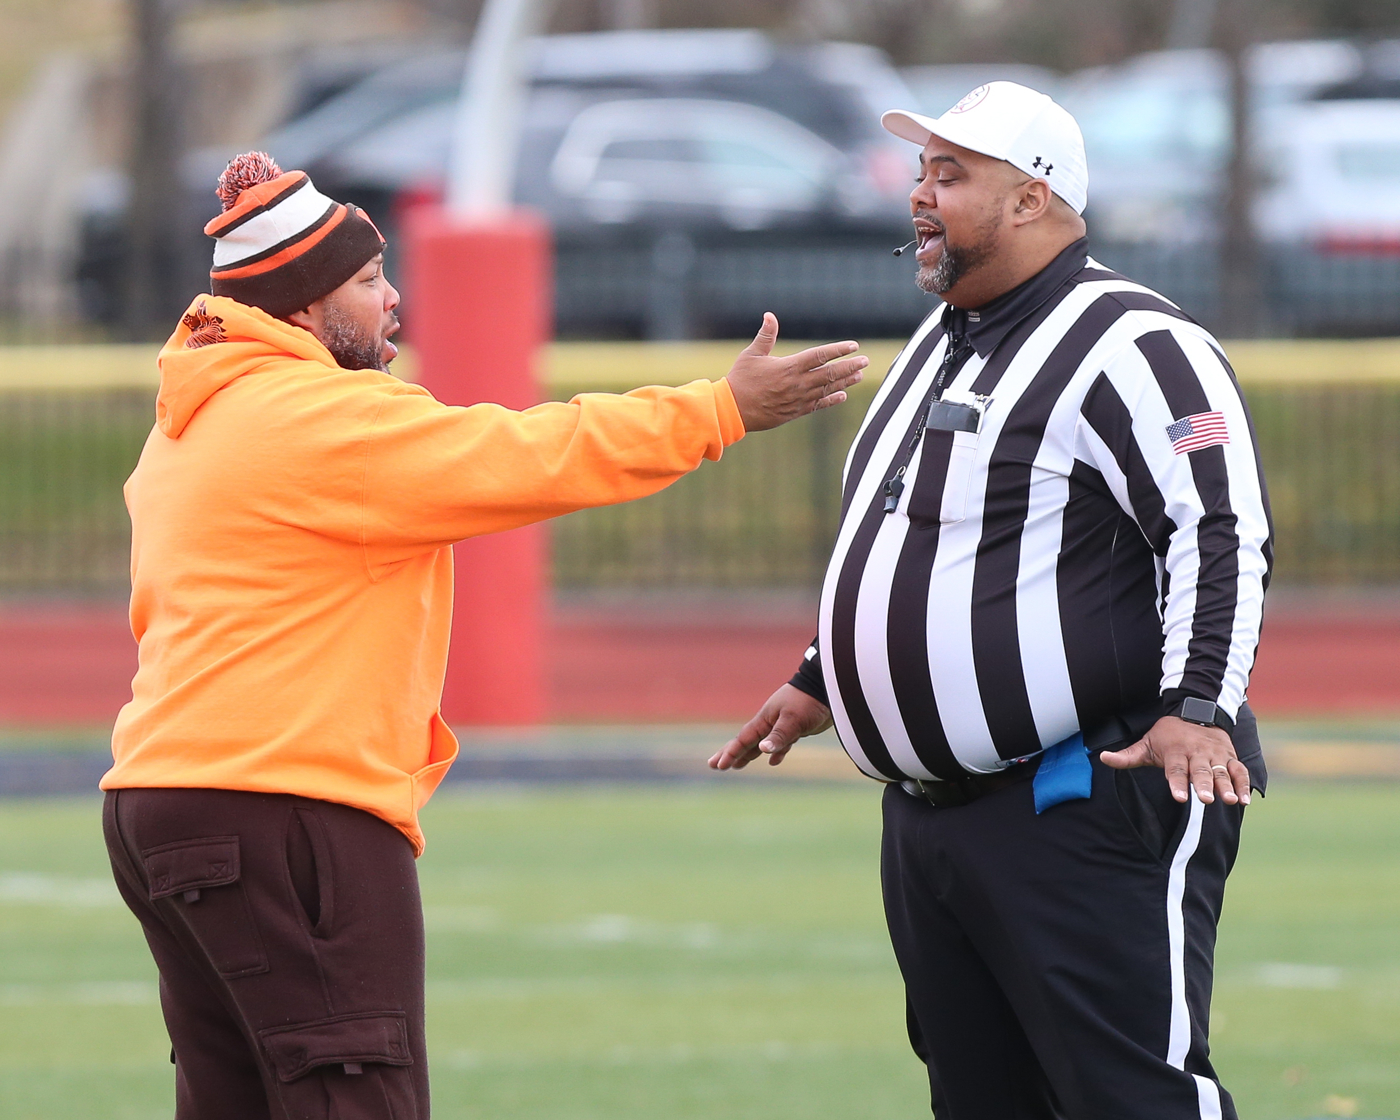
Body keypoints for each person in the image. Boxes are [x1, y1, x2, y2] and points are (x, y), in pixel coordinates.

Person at [100, 151, 867, 1120]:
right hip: (285, 801)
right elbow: (528, 454)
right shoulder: (321, 417)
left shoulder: (192, 418)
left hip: (160, 802)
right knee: (357, 1097)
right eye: (369, 280)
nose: (392, 300)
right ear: (300, 308)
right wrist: (716, 411)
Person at [711, 82, 1272, 1120]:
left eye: (949, 175)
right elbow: (922, 533)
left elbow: (1219, 523)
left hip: (1078, 793)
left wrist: (1197, 708)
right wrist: (820, 677)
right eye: (922, 172)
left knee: (1129, 1096)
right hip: (935, 821)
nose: (918, 196)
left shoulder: (1130, 340)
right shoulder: (943, 337)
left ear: (1030, 199)